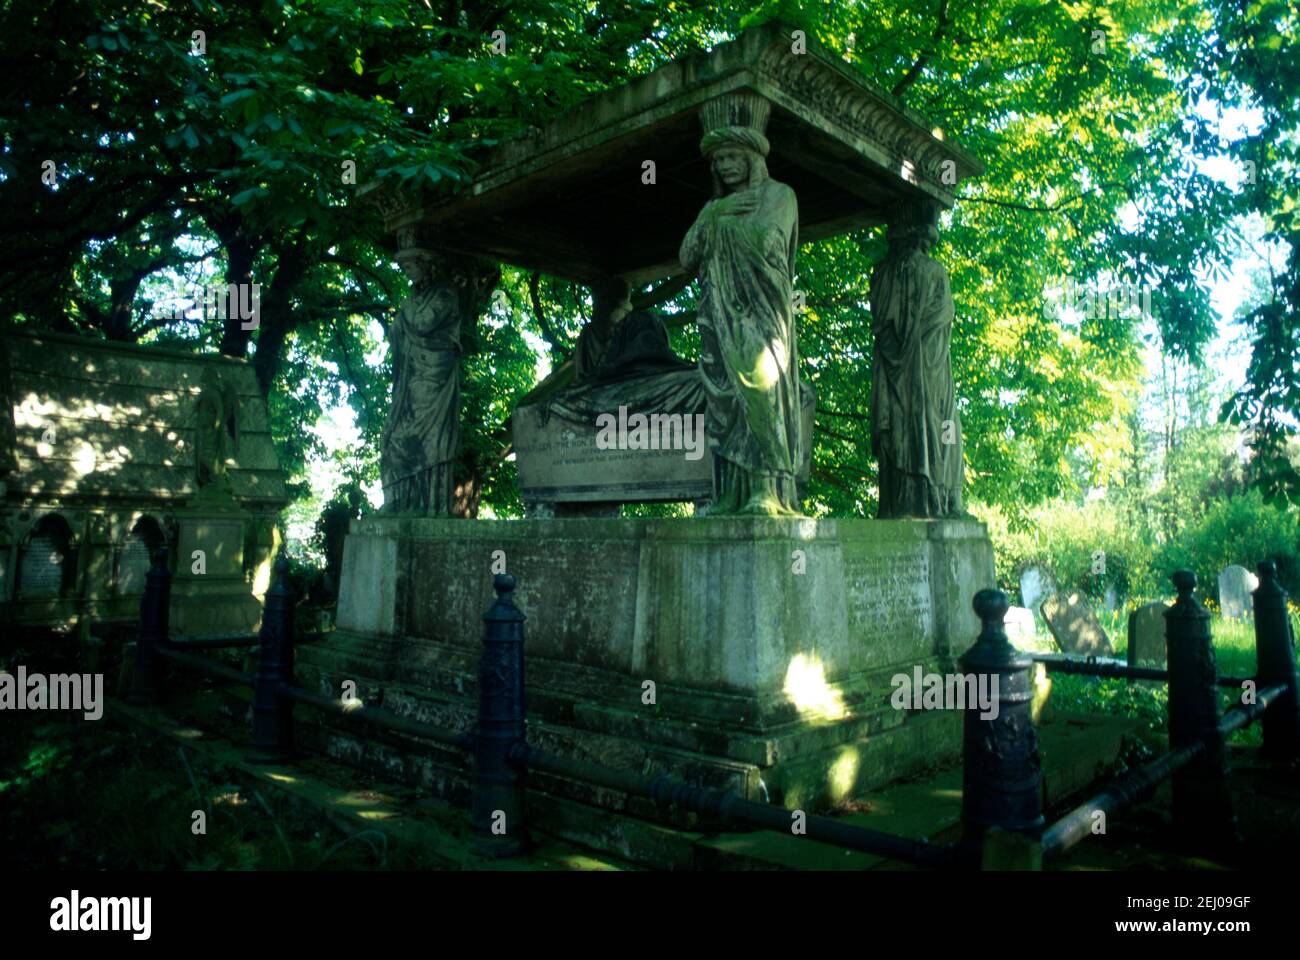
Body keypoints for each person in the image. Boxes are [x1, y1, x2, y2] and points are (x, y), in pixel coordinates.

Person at [679, 114, 808, 516]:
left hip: (762, 318)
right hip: (719, 319)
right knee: (729, 403)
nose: (724, 166)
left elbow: (769, 246)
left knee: (761, 390)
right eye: (718, 160)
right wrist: (720, 214)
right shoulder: (715, 207)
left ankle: (768, 487)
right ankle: (735, 493)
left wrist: (731, 225)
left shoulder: (781, 196)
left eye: (732, 156)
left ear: (753, 157)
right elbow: (686, 257)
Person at [868, 200, 964, 518]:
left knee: (899, 429)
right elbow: (941, 321)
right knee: (942, 430)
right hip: (930, 374)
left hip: (893, 376)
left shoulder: (880, 275)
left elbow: (884, 329)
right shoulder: (934, 272)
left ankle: (900, 503)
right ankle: (936, 499)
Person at [380, 240, 465, 516]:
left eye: (409, 266)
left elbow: (423, 323)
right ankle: (399, 502)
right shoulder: (415, 299)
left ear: (425, 264)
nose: (406, 272)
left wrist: (405, 309)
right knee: (393, 438)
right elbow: (398, 332)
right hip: (413, 376)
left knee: (429, 443)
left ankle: (427, 505)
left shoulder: (445, 294)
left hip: (433, 378)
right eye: (403, 267)